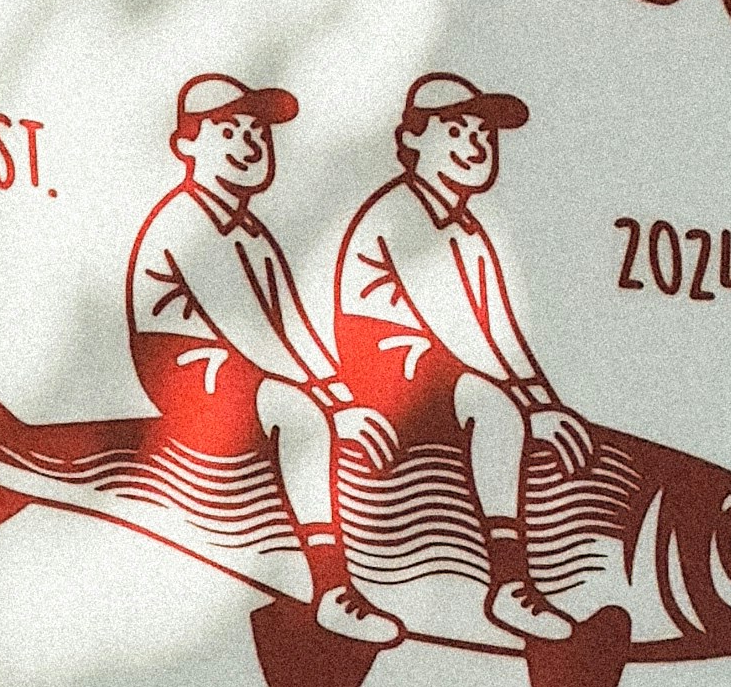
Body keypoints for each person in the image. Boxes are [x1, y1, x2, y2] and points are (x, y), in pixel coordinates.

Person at [128, 73, 399, 645]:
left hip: (236, 358)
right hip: (185, 360)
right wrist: (328, 407)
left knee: (330, 412)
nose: (250, 143)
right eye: (228, 130)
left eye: (256, 131)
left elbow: (291, 326)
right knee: (301, 417)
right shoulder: (190, 221)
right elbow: (249, 332)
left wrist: (342, 393)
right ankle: (332, 589)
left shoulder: (251, 231)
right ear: (187, 144)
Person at [332, 69, 596, 647]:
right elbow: (457, 332)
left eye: (483, 131)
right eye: (456, 129)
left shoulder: (470, 229)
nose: (476, 142)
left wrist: (546, 403)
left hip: (434, 356)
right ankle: (509, 583)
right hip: (386, 354)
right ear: (413, 139)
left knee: (515, 410)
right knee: (495, 410)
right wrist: (526, 408)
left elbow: (501, 332)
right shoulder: (404, 211)